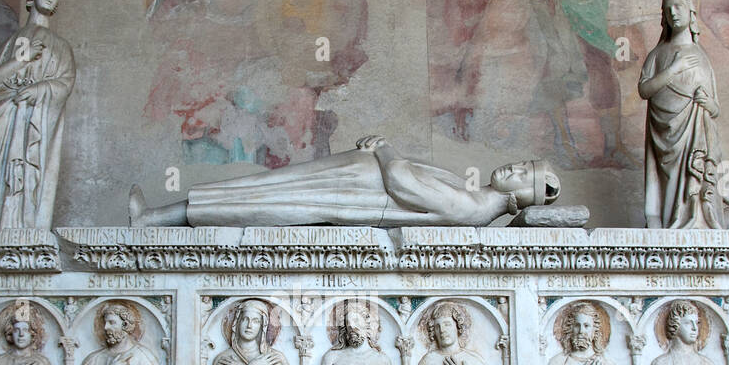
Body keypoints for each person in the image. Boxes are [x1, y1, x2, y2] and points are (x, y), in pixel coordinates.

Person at [129, 136, 560, 227]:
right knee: (255, 190)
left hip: (356, 190)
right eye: (521, 164)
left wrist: (384, 147)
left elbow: (400, 180)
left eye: (524, 176)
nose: (513, 169)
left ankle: (152, 220)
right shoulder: (472, 196)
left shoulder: (472, 209)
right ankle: (153, 217)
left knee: (255, 197)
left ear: (522, 201)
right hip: (354, 180)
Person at [0, 0, 75, 230]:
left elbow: (64, 84)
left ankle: (19, 224)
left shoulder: (61, 47)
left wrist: (39, 90)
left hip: (33, 115)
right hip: (4, 112)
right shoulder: (8, 44)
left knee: (28, 170)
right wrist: (22, 59)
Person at [638, 0, 729, 229]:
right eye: (668, 9)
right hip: (667, 134)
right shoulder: (658, 54)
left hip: (697, 131)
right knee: (670, 182)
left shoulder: (702, 57)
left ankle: (698, 217)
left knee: (696, 177)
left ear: (690, 11)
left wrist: (708, 104)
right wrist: (673, 70)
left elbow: (716, 109)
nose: (673, 13)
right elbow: (644, 90)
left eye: (678, 6)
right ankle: (673, 219)